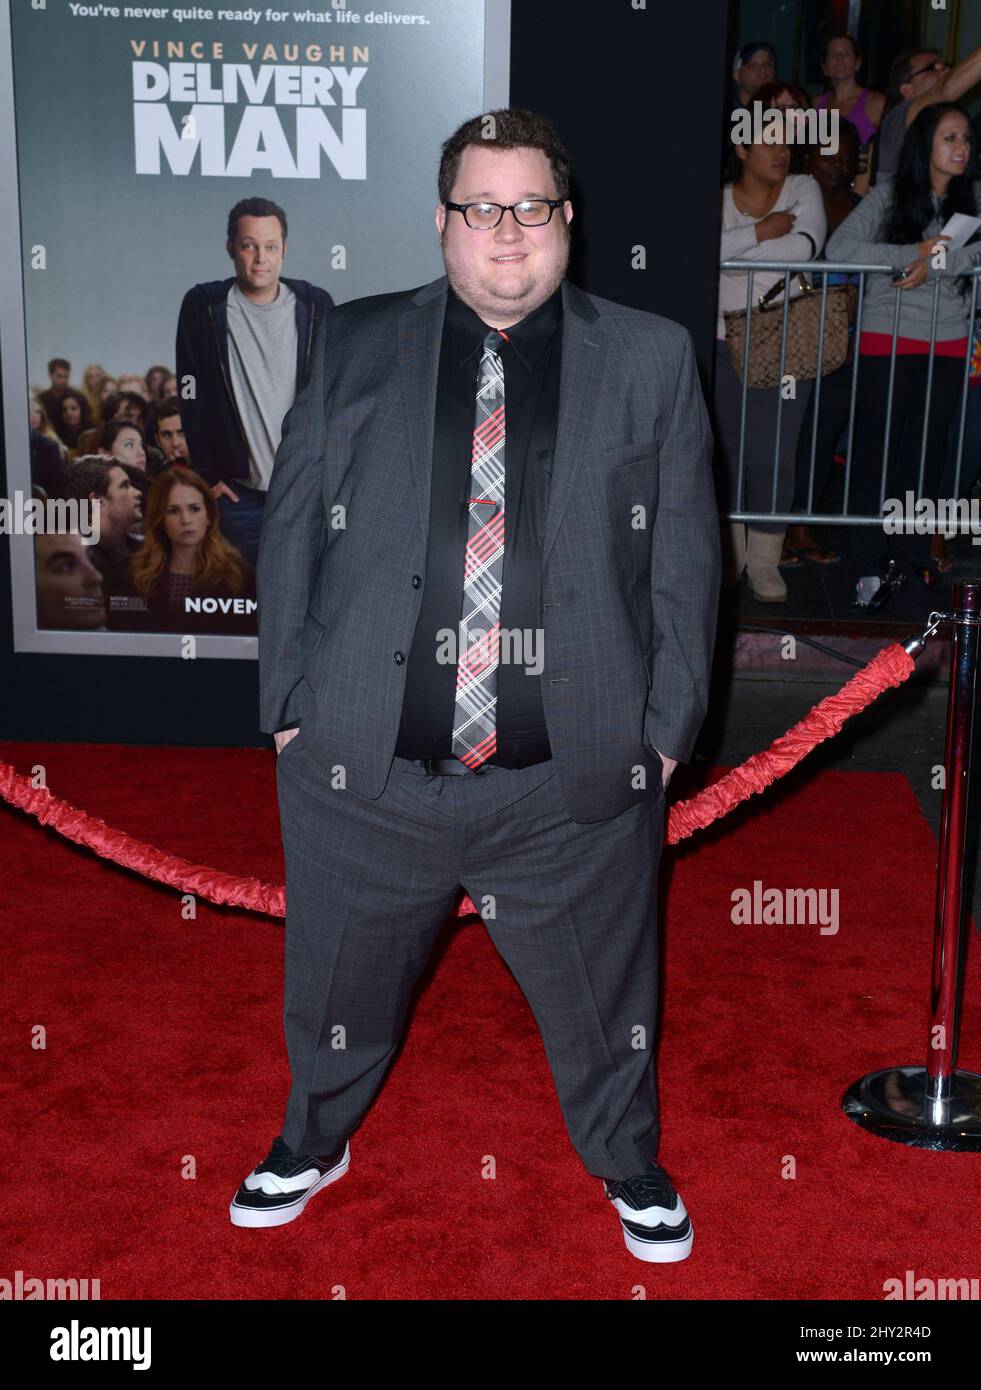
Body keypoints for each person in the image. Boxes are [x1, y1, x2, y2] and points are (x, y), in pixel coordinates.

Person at [234, 108, 720, 1263]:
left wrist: (663, 733)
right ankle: (312, 1138)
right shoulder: (353, 341)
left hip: (571, 774)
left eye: (533, 207)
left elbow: (687, 562)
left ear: (568, 222)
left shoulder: (650, 357)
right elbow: (294, 529)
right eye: (481, 208)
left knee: (607, 997)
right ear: (442, 224)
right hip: (365, 764)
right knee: (336, 980)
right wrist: (290, 707)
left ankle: (625, 1155)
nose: (509, 232)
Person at [827, 103, 981, 610]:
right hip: (887, 338)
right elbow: (839, 249)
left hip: (950, 342)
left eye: (965, 138)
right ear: (925, 146)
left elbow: (974, 256)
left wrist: (933, 263)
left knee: (925, 454)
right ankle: (868, 566)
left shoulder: (973, 198)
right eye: (950, 138)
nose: (962, 147)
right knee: (875, 451)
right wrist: (910, 252)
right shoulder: (891, 193)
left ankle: (910, 559)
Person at [175, 197, 334, 569]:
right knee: (245, 601)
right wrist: (208, 476)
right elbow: (190, 393)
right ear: (231, 247)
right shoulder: (204, 306)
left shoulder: (314, 305)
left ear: (284, 250)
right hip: (238, 495)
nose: (260, 257)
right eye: (248, 245)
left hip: (304, 491)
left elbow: (334, 394)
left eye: (270, 247)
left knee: (302, 604)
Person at [715, 131, 827, 600]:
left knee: (774, 455)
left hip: (786, 343)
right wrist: (762, 232)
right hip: (721, 340)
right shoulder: (716, 195)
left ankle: (764, 561)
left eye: (787, 142)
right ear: (740, 149)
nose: (783, 151)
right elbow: (704, 251)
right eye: (769, 142)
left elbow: (804, 248)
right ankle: (731, 555)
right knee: (727, 453)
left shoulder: (803, 188)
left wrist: (732, 252)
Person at [784, 119, 863, 568]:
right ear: (809, 156)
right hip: (791, 337)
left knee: (822, 433)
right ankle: (772, 533)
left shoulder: (861, 207)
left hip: (842, 342)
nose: (838, 162)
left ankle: (802, 527)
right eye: (828, 152)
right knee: (784, 435)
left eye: (846, 155)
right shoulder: (792, 202)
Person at [121, 467, 256, 635]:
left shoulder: (238, 575)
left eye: (194, 509)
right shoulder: (137, 575)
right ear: (160, 519)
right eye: (173, 511)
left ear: (209, 515)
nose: (186, 520)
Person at [874, 44, 981, 182]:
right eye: (932, 67)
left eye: (944, 64)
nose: (944, 69)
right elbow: (945, 90)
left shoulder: (952, 120)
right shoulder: (898, 117)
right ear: (907, 90)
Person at [815, 33, 885, 195]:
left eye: (846, 53)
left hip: (861, 193)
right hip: (820, 190)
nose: (840, 59)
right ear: (824, 67)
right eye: (833, 54)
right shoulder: (816, 104)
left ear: (858, 63)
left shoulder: (876, 102)